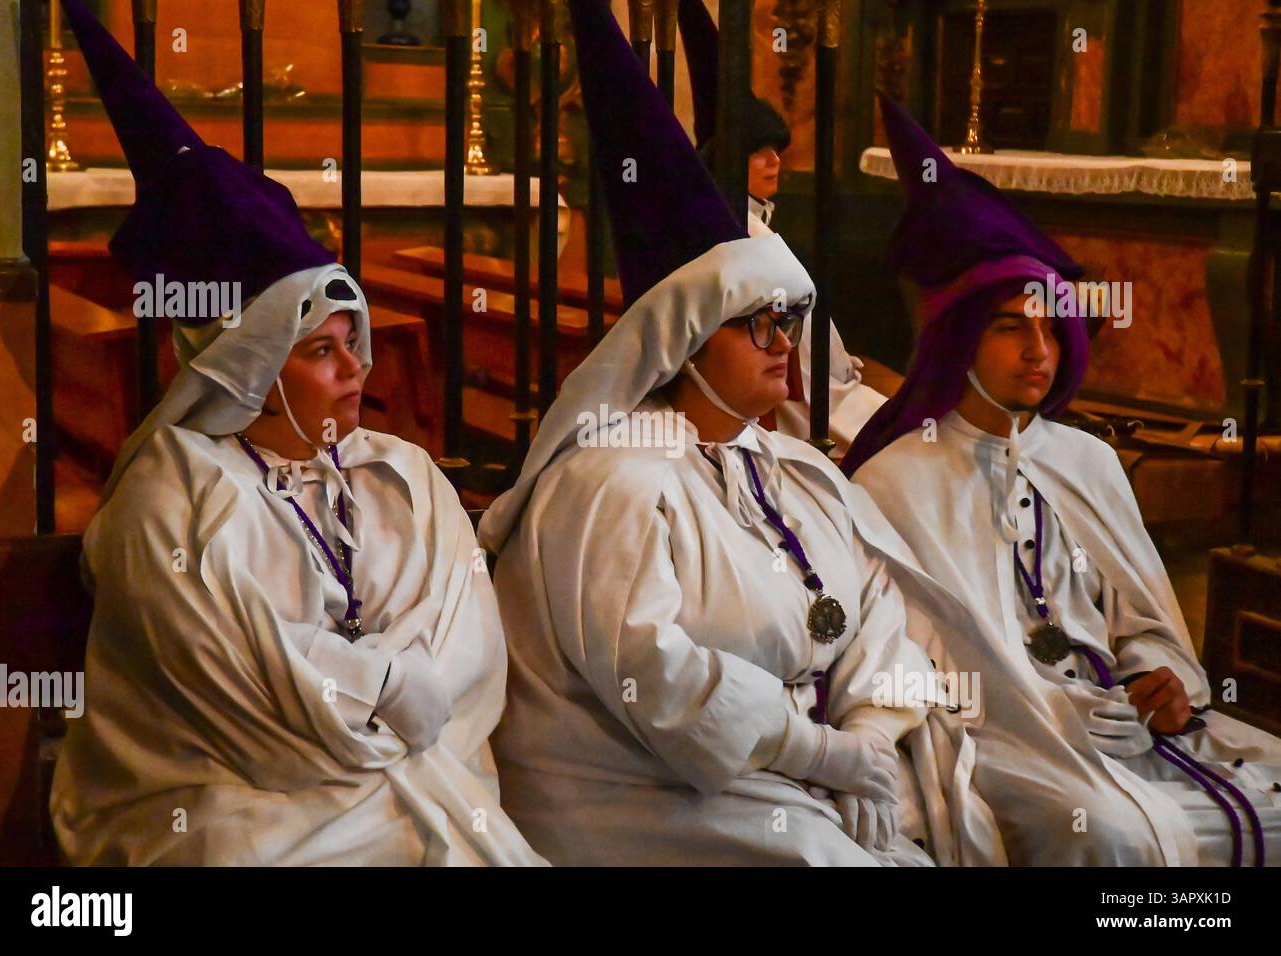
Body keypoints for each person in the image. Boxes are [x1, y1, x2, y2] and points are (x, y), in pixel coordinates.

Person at [475, 0, 984, 866]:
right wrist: (815, 754)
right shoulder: (610, 480)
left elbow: (876, 612)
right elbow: (650, 670)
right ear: (679, 339)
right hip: (646, 787)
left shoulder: (790, 466)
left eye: (789, 318)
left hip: (798, 766)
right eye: (758, 324)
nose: (786, 342)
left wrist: (866, 733)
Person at [49, 0, 544, 867]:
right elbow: (245, 713)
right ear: (247, 367)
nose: (359, 370)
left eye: (355, 342)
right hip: (239, 808)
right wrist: (389, 686)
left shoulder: (404, 472)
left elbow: (468, 655)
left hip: (418, 787)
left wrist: (372, 695)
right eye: (322, 350)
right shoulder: (173, 500)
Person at [844, 94, 1281, 866]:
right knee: (1109, 839)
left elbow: (1148, 627)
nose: (1040, 349)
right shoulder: (895, 482)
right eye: (1012, 326)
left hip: (1134, 729)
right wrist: (1050, 710)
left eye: (1053, 325)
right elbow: (915, 665)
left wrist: (1165, 679)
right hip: (1008, 737)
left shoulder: (1088, 462)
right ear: (959, 338)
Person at [676, 0, 887, 457]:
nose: (775, 161)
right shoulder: (746, 236)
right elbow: (803, 377)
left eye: (776, 149)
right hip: (794, 406)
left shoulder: (760, 226)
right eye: (757, 152)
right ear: (724, 160)